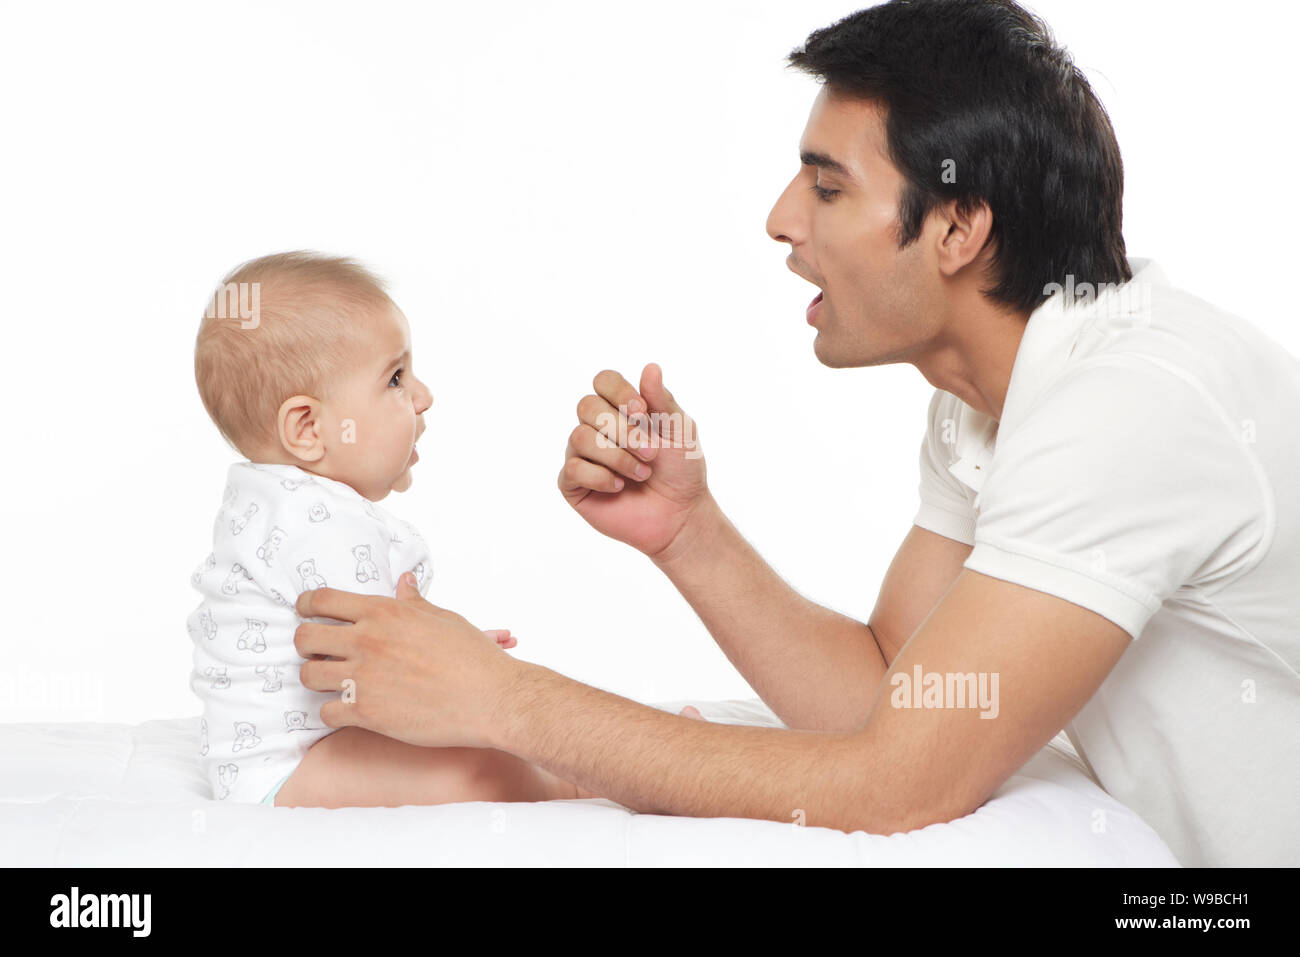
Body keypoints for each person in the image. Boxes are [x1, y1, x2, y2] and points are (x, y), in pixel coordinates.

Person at [290, 0, 1300, 865]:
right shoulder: (992, 399)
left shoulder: (1125, 407)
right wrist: (689, 533)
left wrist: (505, 701)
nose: (781, 220)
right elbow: (888, 698)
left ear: (957, 228)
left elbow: (893, 786)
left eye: (826, 188)